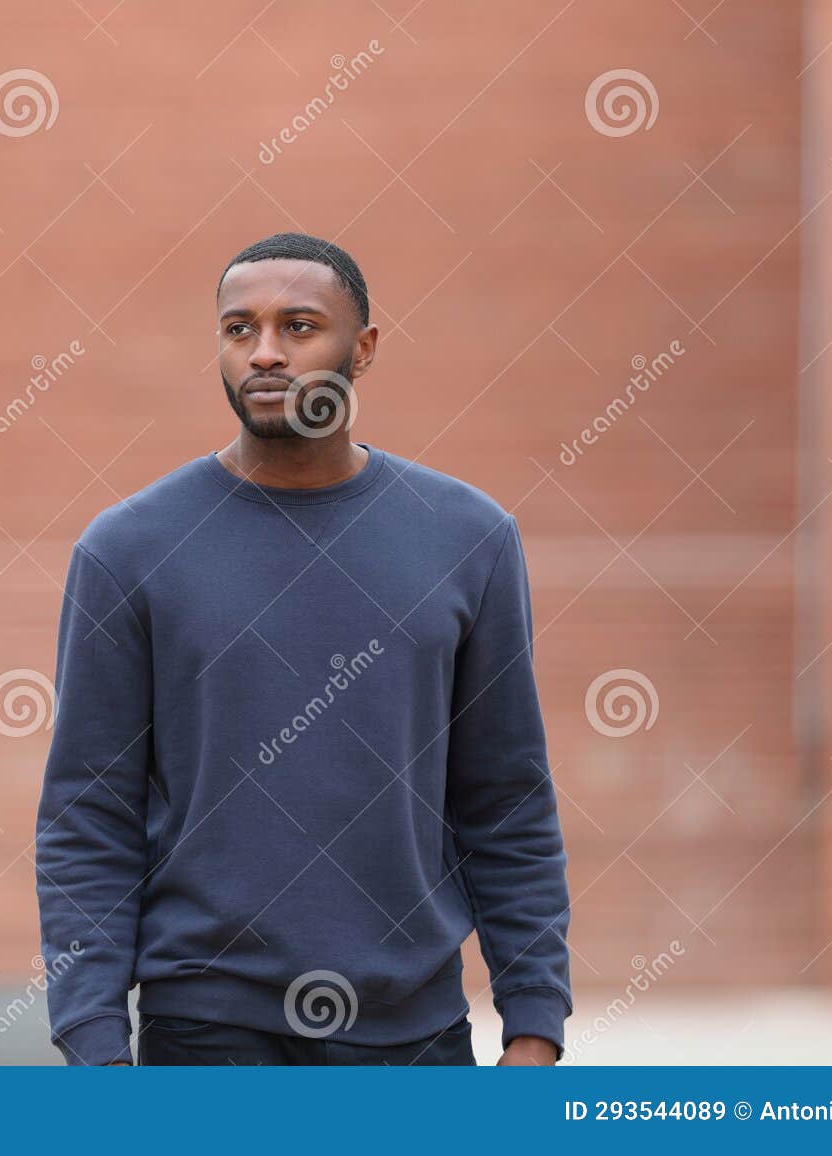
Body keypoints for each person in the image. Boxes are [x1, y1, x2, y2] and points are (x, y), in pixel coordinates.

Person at [34, 231, 571, 1066]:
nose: (265, 353)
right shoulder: (130, 550)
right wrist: (95, 1045)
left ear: (364, 348)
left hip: (416, 1036)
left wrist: (534, 1028)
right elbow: (87, 818)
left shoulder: (468, 539)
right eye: (239, 329)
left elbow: (506, 801)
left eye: (298, 326)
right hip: (209, 1034)